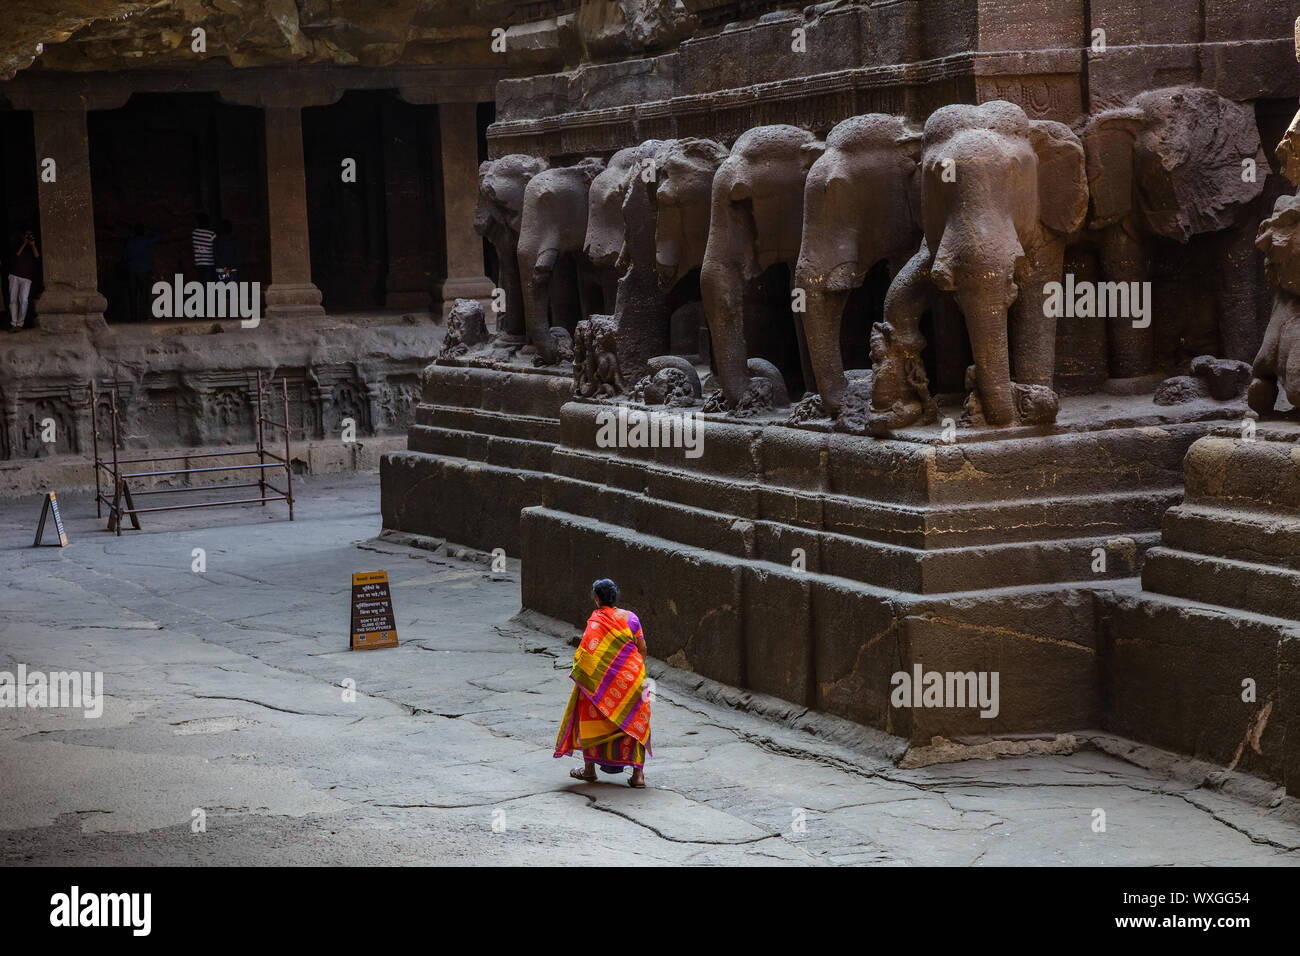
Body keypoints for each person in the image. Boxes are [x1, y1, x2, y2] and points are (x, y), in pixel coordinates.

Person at [554, 578, 650, 787]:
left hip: (602, 684)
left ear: (597, 600)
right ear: (615, 597)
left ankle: (589, 770)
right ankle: (638, 775)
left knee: (588, 709)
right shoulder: (632, 618)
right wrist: (633, 675)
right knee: (635, 722)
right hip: (632, 681)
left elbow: (587, 655)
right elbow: (642, 649)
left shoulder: (596, 620)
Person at [123, 223, 160, 323]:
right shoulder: (145, 240)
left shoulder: (130, 241)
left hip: (131, 271)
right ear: (143, 232)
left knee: (132, 295)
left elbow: (125, 257)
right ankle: (144, 316)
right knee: (144, 295)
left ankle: (133, 317)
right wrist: (150, 230)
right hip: (143, 271)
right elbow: (158, 236)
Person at [8, 229, 38, 331]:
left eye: (30, 234)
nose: (28, 236)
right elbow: (16, 255)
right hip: (15, 275)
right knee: (13, 300)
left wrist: (32, 245)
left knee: (24, 300)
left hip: (27, 278)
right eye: (27, 234)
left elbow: (37, 257)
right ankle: (13, 323)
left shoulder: (32, 247)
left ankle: (20, 324)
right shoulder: (17, 244)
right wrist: (24, 243)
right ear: (22, 235)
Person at [191, 212, 217, 283]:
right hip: (209, 264)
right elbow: (215, 250)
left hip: (198, 264)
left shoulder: (193, 234)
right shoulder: (211, 234)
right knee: (209, 286)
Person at [213, 219, 238, 283]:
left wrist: (225, 268)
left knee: (221, 291)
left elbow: (216, 256)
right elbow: (236, 255)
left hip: (221, 270)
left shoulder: (216, 240)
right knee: (233, 291)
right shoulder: (234, 240)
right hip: (232, 270)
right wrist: (229, 269)